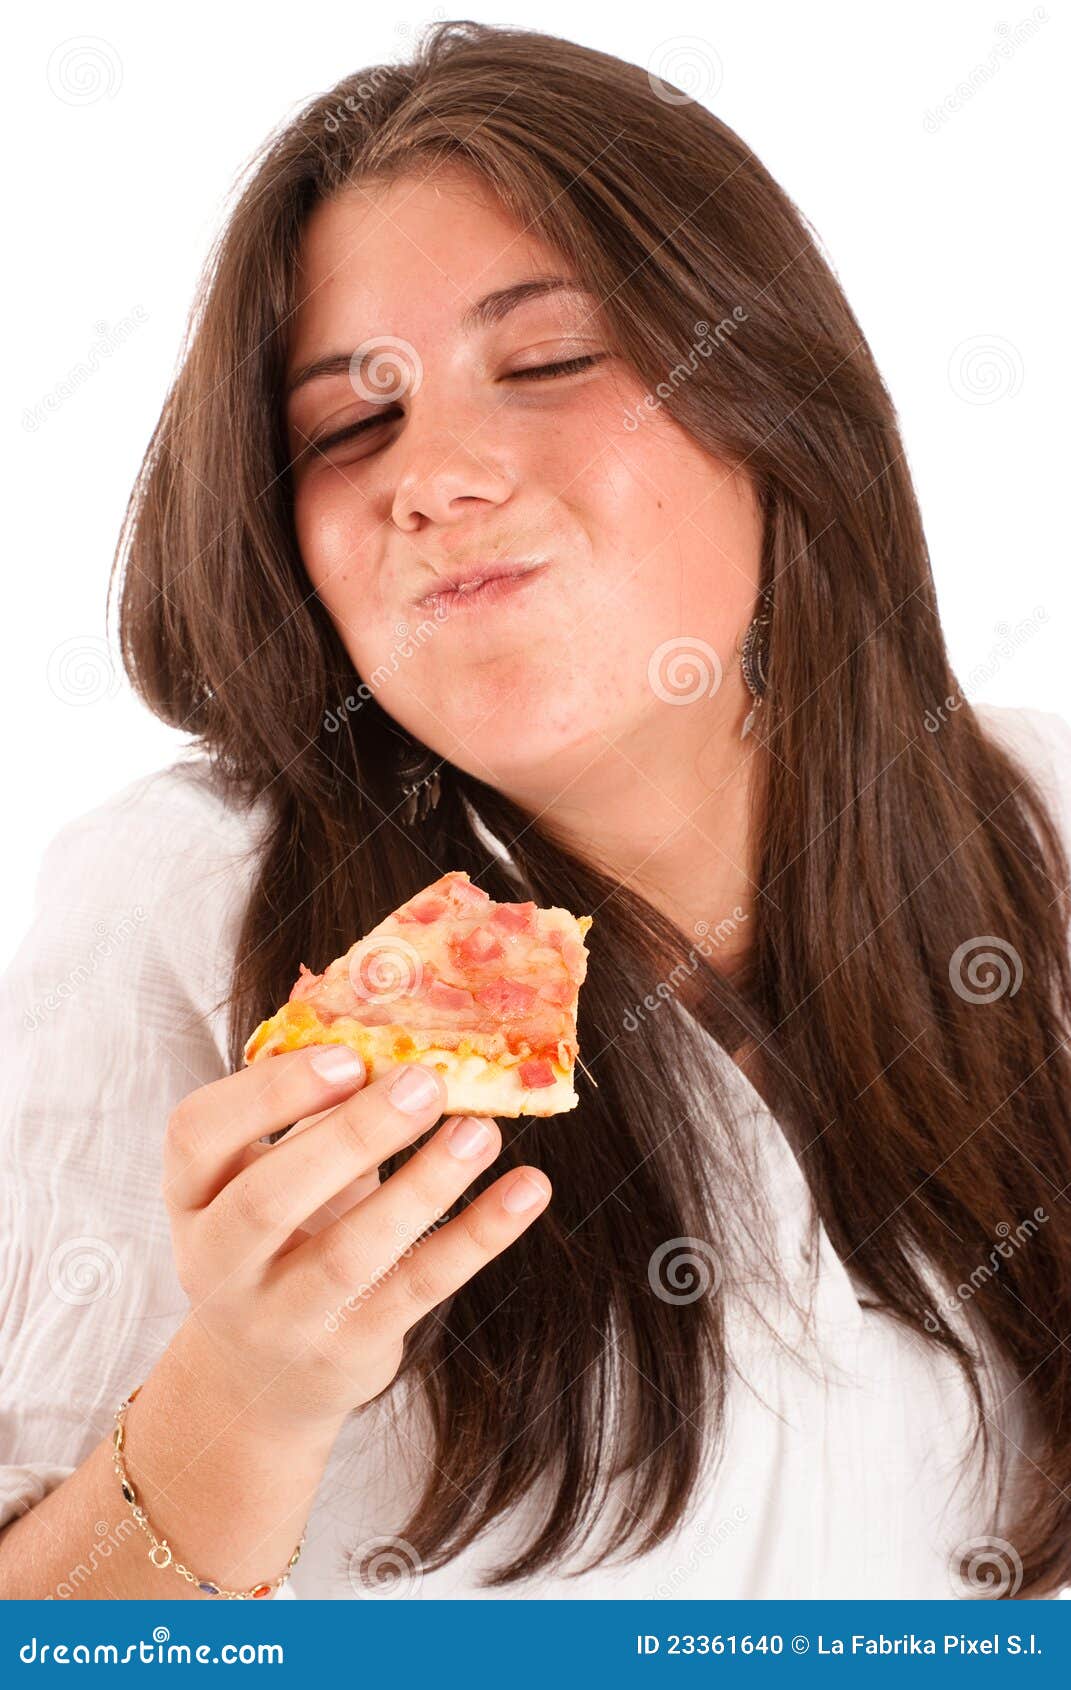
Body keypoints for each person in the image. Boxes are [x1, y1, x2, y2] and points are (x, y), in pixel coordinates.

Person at [2, 21, 1070, 1602]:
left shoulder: (1045, 830)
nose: (431, 477)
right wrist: (245, 1397)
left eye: (551, 361)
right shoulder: (181, 898)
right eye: (347, 427)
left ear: (777, 400)